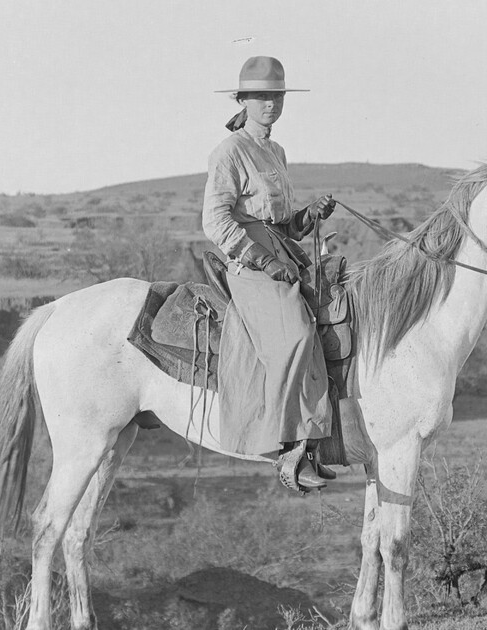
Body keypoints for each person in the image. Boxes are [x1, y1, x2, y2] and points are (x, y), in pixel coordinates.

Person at [202, 56, 338, 490]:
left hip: (284, 256)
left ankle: (317, 443)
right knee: (295, 334)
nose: (270, 104)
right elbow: (215, 221)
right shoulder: (229, 152)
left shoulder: (276, 152)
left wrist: (308, 217)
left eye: (276, 96)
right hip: (248, 264)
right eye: (261, 96)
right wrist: (261, 260)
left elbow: (281, 224)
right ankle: (286, 450)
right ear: (243, 99)